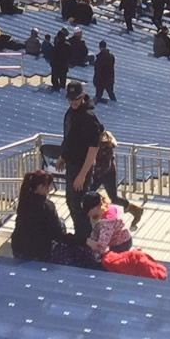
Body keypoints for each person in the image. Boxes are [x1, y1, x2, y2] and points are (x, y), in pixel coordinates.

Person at [60, 81, 105, 237]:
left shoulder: (89, 118)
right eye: (71, 99)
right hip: (71, 164)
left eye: (76, 99)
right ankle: (81, 234)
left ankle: (85, 237)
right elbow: (69, 137)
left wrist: (82, 174)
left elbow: (93, 149)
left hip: (81, 167)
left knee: (79, 205)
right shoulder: (71, 112)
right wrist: (62, 156)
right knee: (70, 201)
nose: (73, 102)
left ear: (82, 97)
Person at [10, 169, 71, 262]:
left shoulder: (24, 201)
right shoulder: (47, 206)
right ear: (41, 187)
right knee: (61, 223)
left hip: (19, 247)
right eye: (49, 186)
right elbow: (58, 233)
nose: (51, 188)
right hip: (38, 251)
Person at [83, 191, 133, 259]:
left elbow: (101, 247)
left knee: (107, 261)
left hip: (121, 244)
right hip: (118, 238)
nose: (86, 212)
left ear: (97, 207)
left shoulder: (107, 223)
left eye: (88, 210)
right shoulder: (104, 208)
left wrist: (89, 243)